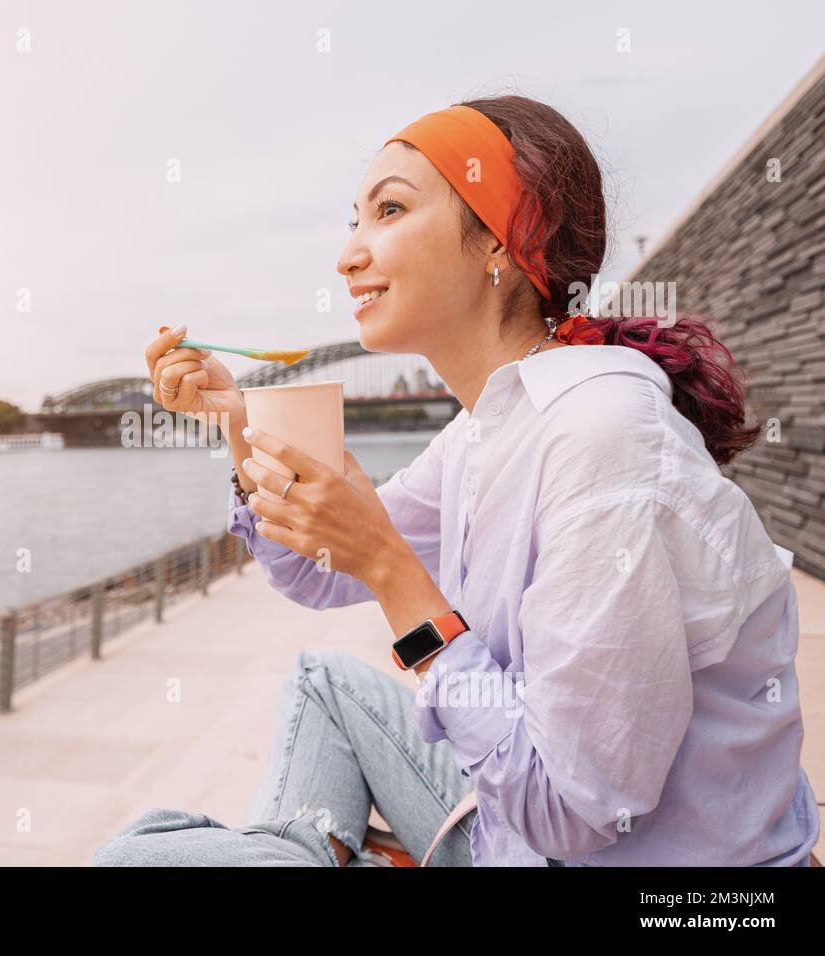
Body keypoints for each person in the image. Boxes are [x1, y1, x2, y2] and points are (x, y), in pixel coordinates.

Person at [91, 95, 821, 867]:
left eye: (391, 210)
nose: (348, 256)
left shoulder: (601, 442)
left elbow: (566, 812)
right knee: (322, 682)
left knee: (132, 859)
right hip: (512, 819)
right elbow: (314, 567)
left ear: (502, 242)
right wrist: (237, 421)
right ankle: (297, 855)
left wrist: (392, 569)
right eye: (355, 221)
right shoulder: (488, 428)